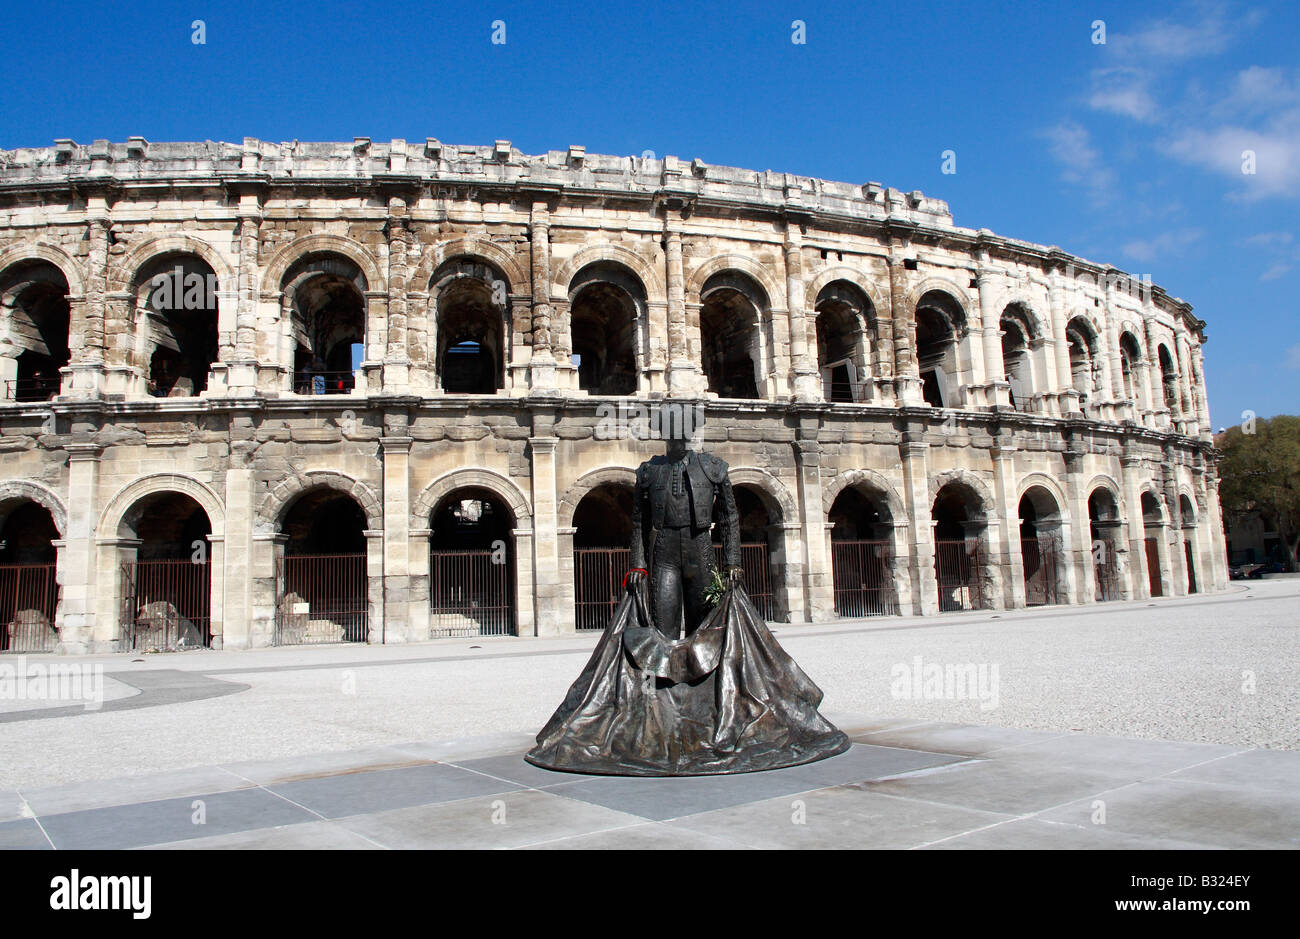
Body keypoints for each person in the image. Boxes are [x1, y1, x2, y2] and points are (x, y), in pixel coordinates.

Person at [626, 434, 742, 639]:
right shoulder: (649, 470)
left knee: (703, 625)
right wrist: (638, 565)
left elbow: (729, 516)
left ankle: (702, 671)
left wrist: (732, 562)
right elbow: (639, 522)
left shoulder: (713, 466)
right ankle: (667, 670)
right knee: (663, 622)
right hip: (665, 549)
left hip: (699, 546)